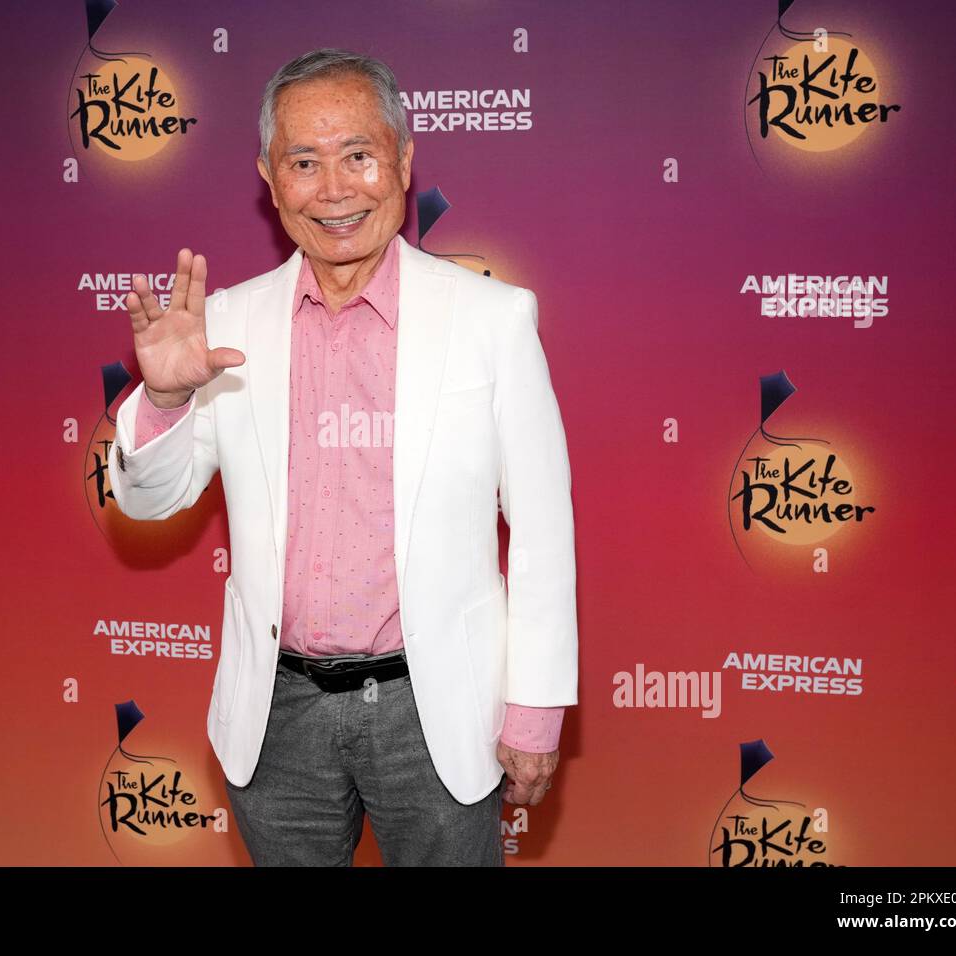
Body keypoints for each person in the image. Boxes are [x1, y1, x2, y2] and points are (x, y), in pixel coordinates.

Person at [109, 48, 578, 866]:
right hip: (276, 715)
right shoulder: (226, 324)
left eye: (358, 155)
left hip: (432, 712)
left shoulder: (492, 319)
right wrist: (166, 399)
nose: (334, 190)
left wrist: (534, 710)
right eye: (304, 162)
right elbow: (150, 501)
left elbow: (541, 530)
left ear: (402, 157)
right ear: (268, 175)